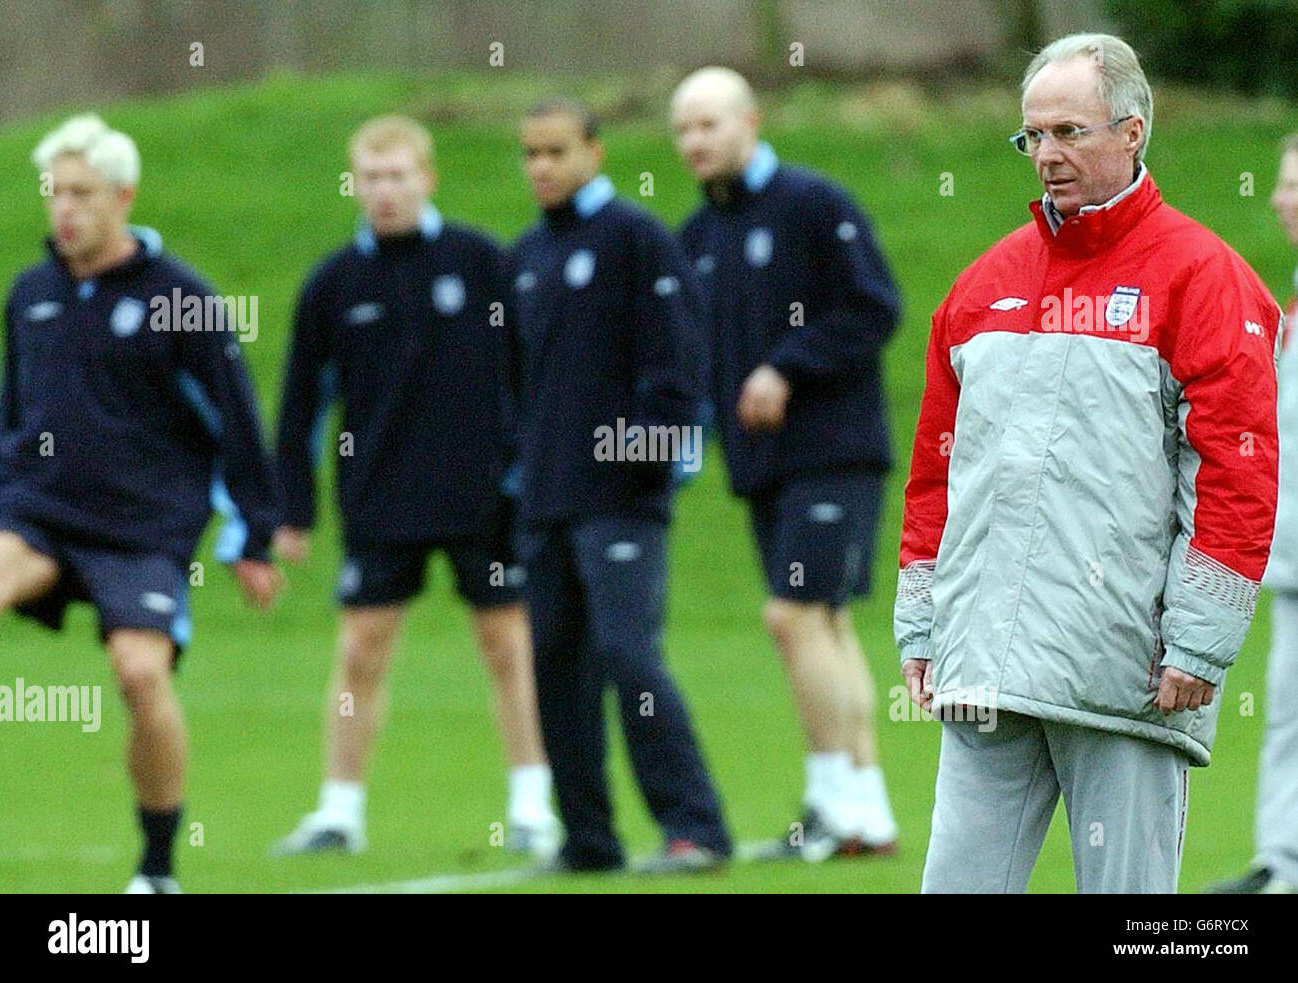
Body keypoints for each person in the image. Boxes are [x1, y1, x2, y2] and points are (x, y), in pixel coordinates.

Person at [894, 33, 1282, 893]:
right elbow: (936, 471)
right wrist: (922, 623)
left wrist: (1200, 643)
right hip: (986, 662)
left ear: (1134, 130)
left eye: (1069, 132)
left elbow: (1235, 471)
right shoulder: (981, 285)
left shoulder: (1205, 278)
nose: (1047, 155)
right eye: (1032, 136)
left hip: (1128, 669)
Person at [0, 114, 283, 894]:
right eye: (55, 193)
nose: (65, 210)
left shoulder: (179, 298)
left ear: (125, 195)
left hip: (141, 528)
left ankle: (156, 869)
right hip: (38, 515)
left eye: (83, 194)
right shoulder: (30, 294)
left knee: (140, 676)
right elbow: (12, 414)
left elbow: (237, 421)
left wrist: (254, 534)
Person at [271, 115, 557, 859]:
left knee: (506, 643)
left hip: (482, 495)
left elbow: (532, 375)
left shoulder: (482, 262)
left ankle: (532, 804)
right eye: (371, 178)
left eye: (398, 176)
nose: (385, 191)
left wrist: (527, 472)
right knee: (361, 648)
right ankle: (339, 810)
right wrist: (292, 509)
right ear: (355, 183)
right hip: (379, 495)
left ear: (426, 177)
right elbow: (301, 402)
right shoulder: (332, 284)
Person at [672, 67, 901, 860]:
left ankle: (832, 799)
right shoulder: (694, 239)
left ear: (751, 120)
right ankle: (865, 814)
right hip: (762, 464)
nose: (696, 142)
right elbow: (691, 358)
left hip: (834, 451)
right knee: (825, 623)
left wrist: (786, 366)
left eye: (709, 124)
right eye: (684, 130)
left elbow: (876, 305)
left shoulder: (814, 204)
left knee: (791, 614)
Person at [509, 98, 731, 873]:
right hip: (547, 504)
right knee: (554, 666)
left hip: (622, 502)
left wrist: (646, 466)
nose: (541, 167)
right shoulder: (527, 257)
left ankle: (695, 828)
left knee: (628, 656)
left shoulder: (638, 240)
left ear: (594, 152)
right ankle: (589, 840)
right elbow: (516, 389)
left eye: (556, 151)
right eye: (530, 154)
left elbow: (679, 369)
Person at [1209, 135, 1298, 895]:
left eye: (1293, 186)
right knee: (1288, 715)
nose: (1277, 199)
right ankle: (1282, 863)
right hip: (1292, 556)